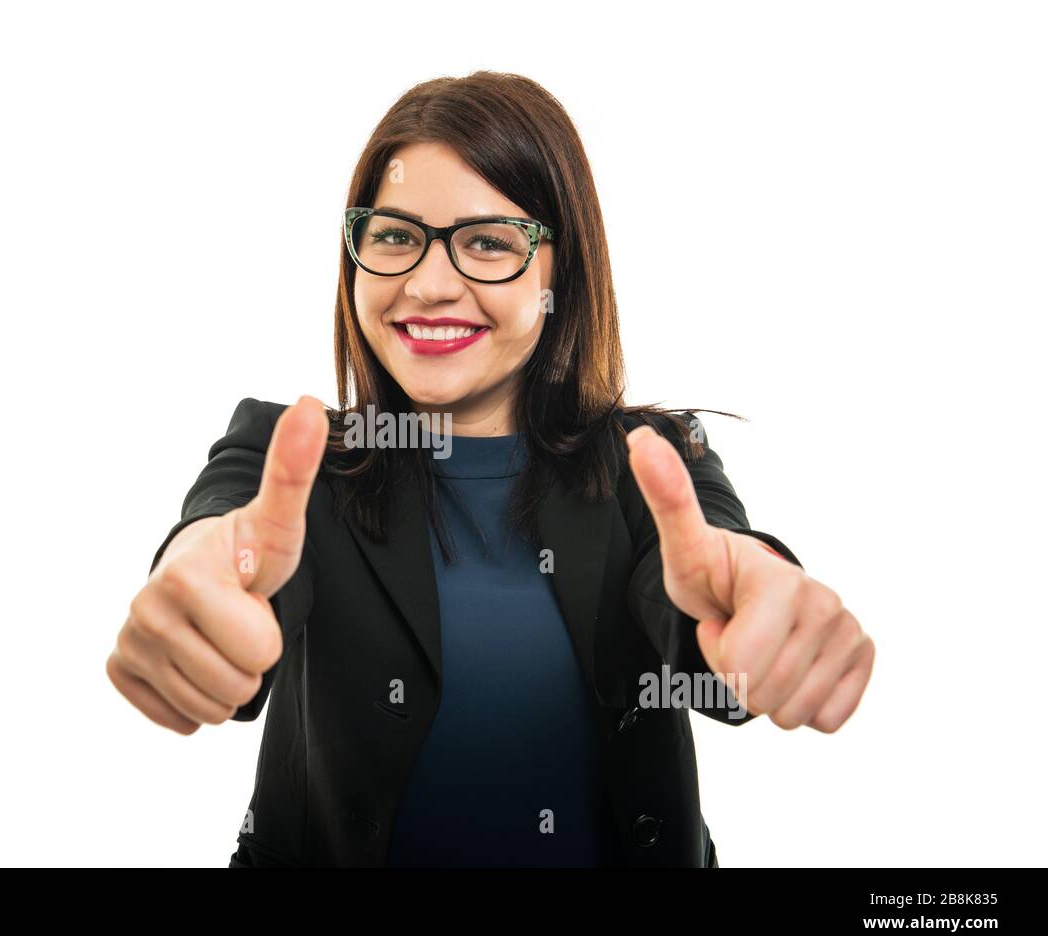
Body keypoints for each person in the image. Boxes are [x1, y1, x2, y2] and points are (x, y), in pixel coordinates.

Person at [106, 71, 875, 867]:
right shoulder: (290, 460)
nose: (430, 285)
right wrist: (197, 577)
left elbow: (717, 582)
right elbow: (220, 541)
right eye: (396, 235)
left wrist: (762, 607)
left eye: (489, 242)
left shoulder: (654, 462)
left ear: (559, 276)